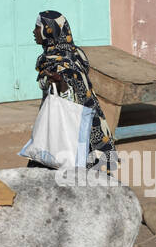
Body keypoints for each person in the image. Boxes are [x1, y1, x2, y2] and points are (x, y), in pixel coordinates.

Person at [31, 10, 115, 168]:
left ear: (48, 30)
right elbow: (44, 85)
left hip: (75, 121)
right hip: (69, 117)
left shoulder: (68, 58)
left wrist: (60, 81)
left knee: (69, 169)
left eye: (37, 27)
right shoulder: (69, 54)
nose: (34, 32)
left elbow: (71, 90)